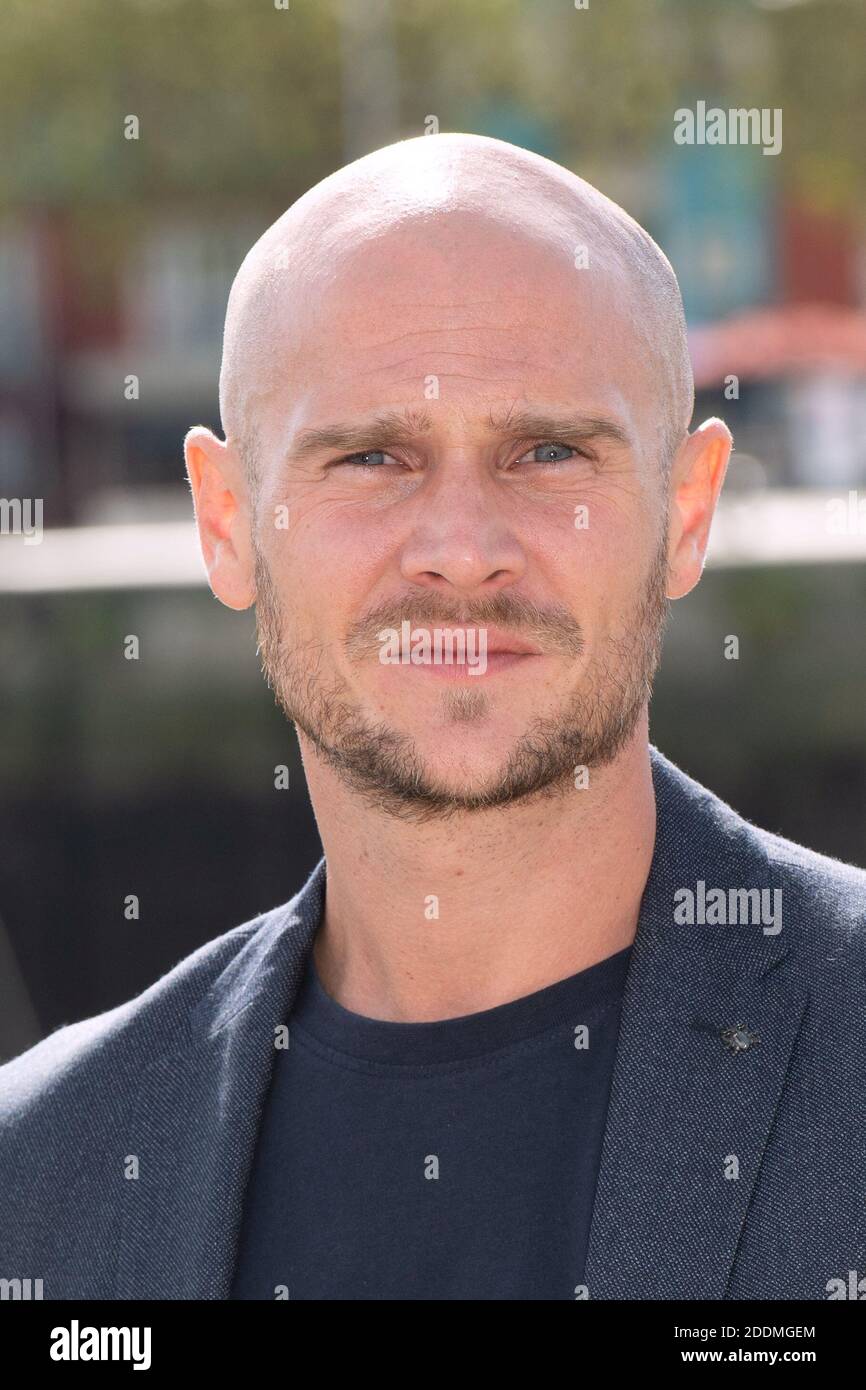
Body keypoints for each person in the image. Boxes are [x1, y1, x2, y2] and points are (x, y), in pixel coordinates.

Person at [2, 134, 864, 1301]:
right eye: (369, 458)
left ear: (685, 509)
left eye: (548, 450)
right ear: (227, 522)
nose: (460, 550)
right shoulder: (43, 1169)